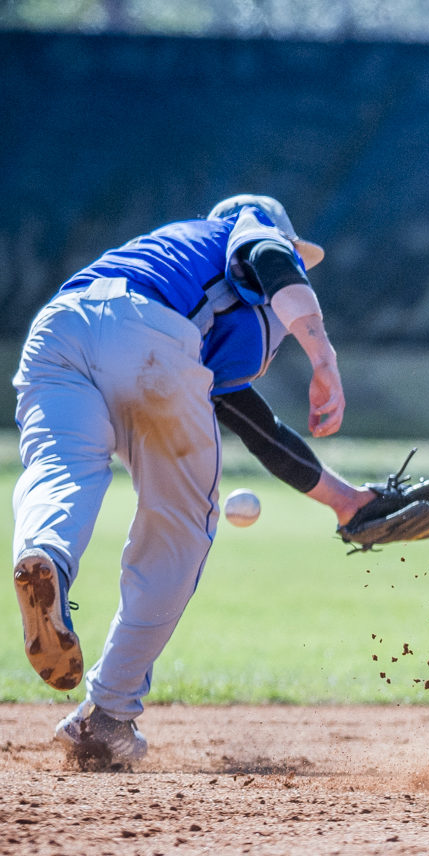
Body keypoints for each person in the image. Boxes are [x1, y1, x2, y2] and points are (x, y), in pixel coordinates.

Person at [12, 194, 381, 769]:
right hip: (149, 334)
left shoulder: (170, 252)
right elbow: (267, 253)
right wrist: (323, 356)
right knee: (180, 528)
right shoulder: (247, 232)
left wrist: (345, 501)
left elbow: (257, 428)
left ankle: (47, 556)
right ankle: (107, 715)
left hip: (58, 330)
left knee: (61, 470)